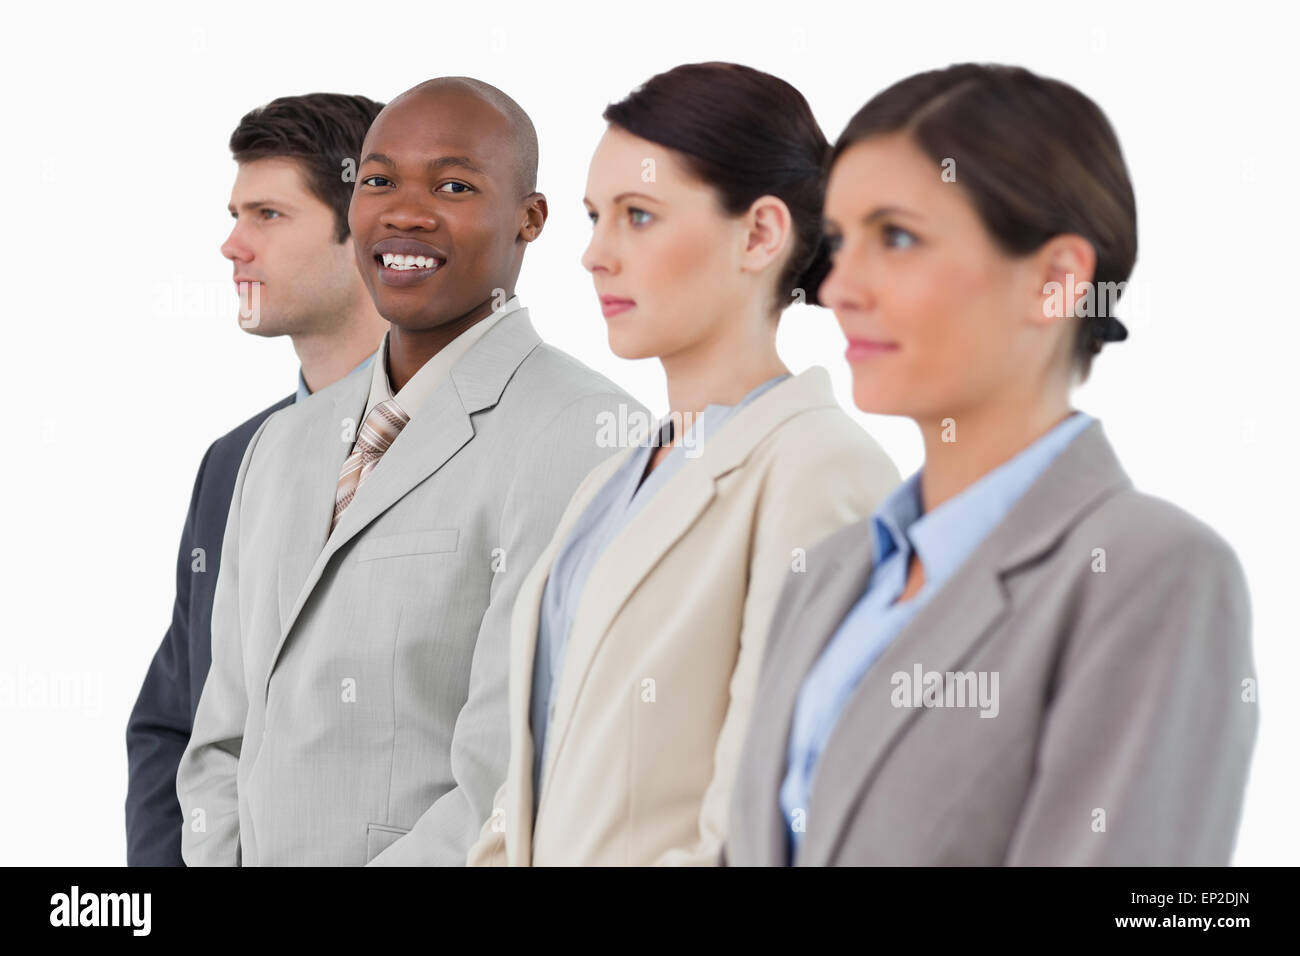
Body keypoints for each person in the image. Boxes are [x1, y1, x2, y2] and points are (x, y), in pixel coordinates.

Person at [724, 63, 1258, 866]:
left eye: (896, 236)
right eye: (837, 242)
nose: (837, 288)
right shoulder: (830, 575)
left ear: (1055, 280)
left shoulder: (1156, 575)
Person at [176, 77, 647, 866]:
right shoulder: (279, 448)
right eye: (378, 181)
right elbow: (220, 742)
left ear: (530, 219)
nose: (405, 212)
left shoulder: (588, 436)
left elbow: (515, 775)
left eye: (455, 185)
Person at [467, 63, 899, 866]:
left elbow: (764, 828)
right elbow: (536, 773)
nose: (595, 254)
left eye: (639, 216)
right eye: (596, 217)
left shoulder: (820, 471)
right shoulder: (612, 479)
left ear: (761, 234)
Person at [125, 92, 387, 866]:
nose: (232, 245)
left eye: (268, 215)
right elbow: (174, 722)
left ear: (365, 233)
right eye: (237, 213)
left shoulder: (496, 438)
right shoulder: (232, 462)